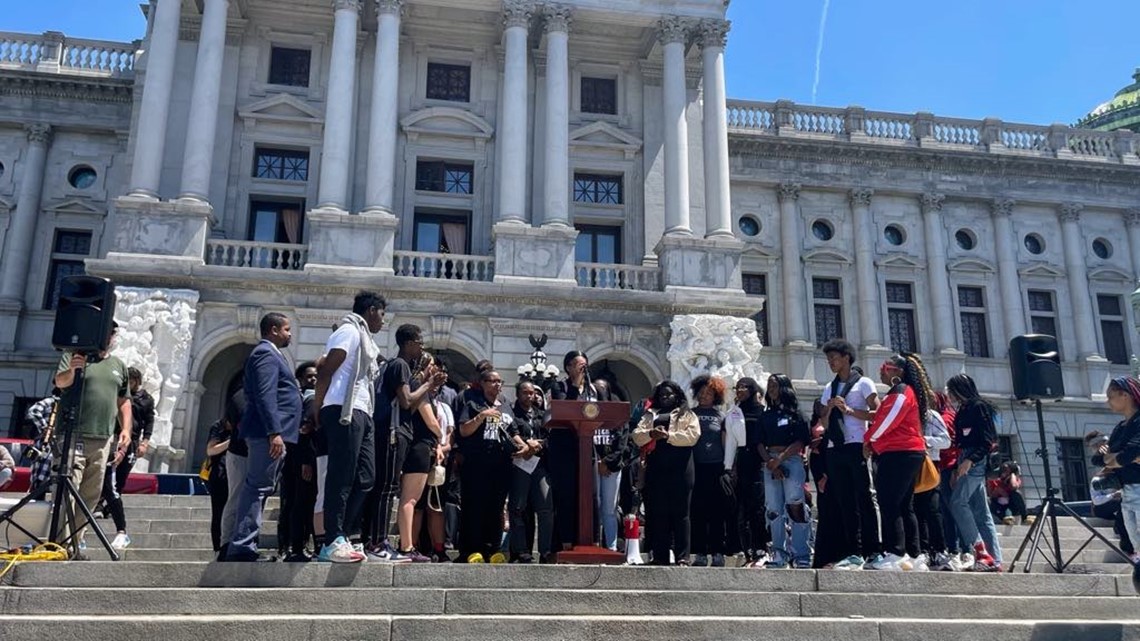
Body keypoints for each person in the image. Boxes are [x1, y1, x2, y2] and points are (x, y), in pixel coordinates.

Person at [313, 291, 386, 563]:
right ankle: (331, 540)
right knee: (341, 475)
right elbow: (325, 369)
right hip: (343, 408)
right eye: (382, 314)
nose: (383, 321)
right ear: (371, 310)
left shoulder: (365, 338)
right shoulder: (350, 331)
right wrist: (317, 406)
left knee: (366, 477)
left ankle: (342, 534)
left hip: (363, 411)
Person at [225, 313, 301, 562]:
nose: (290, 334)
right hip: (266, 434)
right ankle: (243, 546)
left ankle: (245, 544)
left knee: (261, 488)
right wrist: (274, 432)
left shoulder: (272, 354)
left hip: (271, 433)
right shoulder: (265, 354)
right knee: (257, 488)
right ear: (274, 330)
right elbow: (265, 394)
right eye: (287, 329)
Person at [53, 322, 132, 557]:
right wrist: (73, 370)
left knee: (91, 493)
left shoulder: (118, 365)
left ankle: (75, 543)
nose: (109, 337)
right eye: (105, 332)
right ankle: (60, 543)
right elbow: (60, 382)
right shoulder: (75, 356)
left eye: (112, 333)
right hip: (73, 433)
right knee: (68, 488)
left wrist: (126, 429)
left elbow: (123, 400)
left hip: (103, 437)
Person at [375, 325, 447, 563]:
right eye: (432, 366)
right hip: (418, 446)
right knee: (409, 499)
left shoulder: (415, 384)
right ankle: (405, 545)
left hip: (413, 443)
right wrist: (442, 436)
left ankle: (405, 545)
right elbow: (427, 418)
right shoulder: (410, 379)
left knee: (408, 498)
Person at [818, 339, 881, 569]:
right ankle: (853, 551)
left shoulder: (863, 383)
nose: (831, 363)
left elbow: (877, 413)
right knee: (845, 501)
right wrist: (830, 409)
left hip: (856, 444)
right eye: (828, 359)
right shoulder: (829, 387)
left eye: (834, 358)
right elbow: (824, 423)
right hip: (835, 446)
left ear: (846, 358)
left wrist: (849, 410)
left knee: (864, 497)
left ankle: (873, 550)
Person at [863, 354, 930, 571]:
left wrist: (869, 439)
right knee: (903, 504)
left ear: (897, 371)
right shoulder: (904, 391)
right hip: (905, 452)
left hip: (899, 451)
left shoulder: (900, 392)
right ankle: (913, 554)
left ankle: (895, 552)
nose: (881, 371)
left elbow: (888, 420)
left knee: (889, 502)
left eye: (885, 367)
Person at [632, 381, 700, 565]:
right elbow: (637, 436)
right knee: (658, 511)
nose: (665, 397)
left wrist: (668, 436)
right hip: (657, 465)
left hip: (681, 466)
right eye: (661, 395)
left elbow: (693, 436)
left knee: (681, 512)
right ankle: (660, 556)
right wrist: (651, 434)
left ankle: (682, 556)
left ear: (677, 395)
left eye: (669, 394)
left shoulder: (687, 414)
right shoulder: (650, 413)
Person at [549, 351, 607, 551]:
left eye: (585, 364)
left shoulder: (593, 389)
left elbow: (604, 412)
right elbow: (563, 409)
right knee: (567, 495)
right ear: (568, 367)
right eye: (577, 364)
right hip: (565, 450)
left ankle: (593, 542)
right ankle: (566, 543)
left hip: (587, 448)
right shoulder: (560, 386)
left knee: (592, 496)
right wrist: (575, 384)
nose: (583, 368)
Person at [945, 373, 1003, 571]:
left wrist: (969, 461)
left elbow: (987, 440)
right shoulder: (963, 409)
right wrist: (957, 466)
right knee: (981, 511)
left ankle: (981, 551)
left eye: (951, 390)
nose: (949, 395)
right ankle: (994, 559)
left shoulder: (978, 407)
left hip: (975, 460)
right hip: (965, 458)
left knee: (958, 502)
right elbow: (960, 442)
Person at [457, 369, 514, 563]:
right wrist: (482, 416)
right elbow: (464, 430)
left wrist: (524, 446)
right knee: (475, 507)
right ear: (482, 383)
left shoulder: (506, 405)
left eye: (500, 381)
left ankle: (493, 549)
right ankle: (472, 549)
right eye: (492, 381)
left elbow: (513, 431)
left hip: (501, 465)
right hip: (477, 464)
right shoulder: (473, 403)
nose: (497, 385)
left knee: (496, 508)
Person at [757, 374, 811, 569]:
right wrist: (771, 462)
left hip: (791, 459)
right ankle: (778, 552)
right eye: (769, 386)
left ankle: (801, 553)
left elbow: (801, 441)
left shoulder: (796, 414)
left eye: (775, 386)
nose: (771, 389)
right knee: (773, 509)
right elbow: (759, 442)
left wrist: (780, 459)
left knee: (795, 506)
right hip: (770, 462)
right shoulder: (765, 415)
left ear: (784, 387)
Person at [100, 366, 155, 551]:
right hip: (114, 438)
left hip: (132, 441)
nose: (129, 384)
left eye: (132, 381)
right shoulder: (119, 394)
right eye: (128, 380)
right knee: (108, 477)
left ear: (137, 381)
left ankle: (111, 509)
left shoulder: (146, 399)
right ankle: (102, 505)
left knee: (121, 478)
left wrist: (145, 442)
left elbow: (149, 421)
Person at [507, 380, 553, 563]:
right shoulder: (512, 413)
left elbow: (549, 437)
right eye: (525, 392)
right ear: (518, 394)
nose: (529, 396)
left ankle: (545, 551)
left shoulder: (541, 414)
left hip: (539, 465)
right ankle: (521, 550)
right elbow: (511, 433)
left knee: (545, 507)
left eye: (532, 392)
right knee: (518, 508)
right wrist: (527, 445)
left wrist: (536, 446)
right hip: (520, 465)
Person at [725, 377, 769, 567]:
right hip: (742, 459)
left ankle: (761, 549)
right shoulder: (734, 412)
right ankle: (747, 550)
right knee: (741, 508)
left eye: (744, 387)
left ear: (752, 389)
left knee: (758, 508)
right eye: (738, 387)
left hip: (760, 460)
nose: (740, 390)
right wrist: (728, 467)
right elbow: (730, 442)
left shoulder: (763, 411)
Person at [279, 361, 319, 562]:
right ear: (301, 380)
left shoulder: (298, 399)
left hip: (294, 458)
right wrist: (306, 461)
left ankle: (292, 545)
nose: (313, 379)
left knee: (295, 502)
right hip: (302, 459)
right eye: (309, 376)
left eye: (316, 376)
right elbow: (305, 432)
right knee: (301, 502)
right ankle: (296, 546)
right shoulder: (309, 399)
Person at [689, 375, 729, 567]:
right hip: (695, 467)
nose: (704, 396)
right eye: (701, 392)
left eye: (709, 393)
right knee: (697, 511)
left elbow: (726, 442)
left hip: (716, 467)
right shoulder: (690, 414)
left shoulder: (721, 416)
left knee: (717, 511)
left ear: (716, 396)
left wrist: (729, 468)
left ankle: (718, 551)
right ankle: (700, 552)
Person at [916, 388, 954, 571]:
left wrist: (924, 440)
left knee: (932, 510)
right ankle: (922, 550)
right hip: (910, 466)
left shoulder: (931, 416)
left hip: (930, 465)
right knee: (916, 511)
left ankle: (939, 550)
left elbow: (946, 441)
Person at [1104, 376, 1140, 564]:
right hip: (1126, 491)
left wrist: (1117, 458)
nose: (1108, 401)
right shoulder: (1119, 428)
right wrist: (1118, 458)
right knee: (1136, 545)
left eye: (1111, 396)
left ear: (1124, 395)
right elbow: (1101, 458)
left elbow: (1130, 453)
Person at [593, 378, 628, 553]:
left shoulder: (617, 413)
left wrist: (606, 462)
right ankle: (594, 544)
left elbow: (622, 443)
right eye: (595, 388)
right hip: (592, 466)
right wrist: (597, 462)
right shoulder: (588, 411)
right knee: (594, 505)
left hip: (611, 468)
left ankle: (611, 547)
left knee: (609, 508)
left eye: (602, 388)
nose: (598, 391)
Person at [204, 416, 232, 552]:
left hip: (236, 474)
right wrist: (231, 442)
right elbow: (210, 450)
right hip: (220, 474)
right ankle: (218, 548)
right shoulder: (219, 426)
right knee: (219, 512)